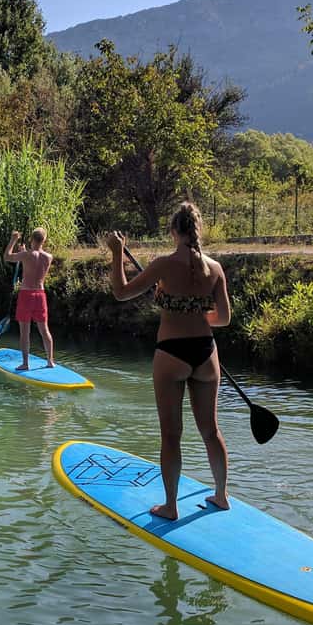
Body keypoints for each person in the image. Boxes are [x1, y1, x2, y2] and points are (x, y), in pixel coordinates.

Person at [106, 202, 232, 521]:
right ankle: (221, 495)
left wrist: (117, 252)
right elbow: (224, 319)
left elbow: (120, 292)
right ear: (198, 230)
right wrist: (197, 313)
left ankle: (171, 506)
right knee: (211, 430)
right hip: (206, 352)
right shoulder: (215, 268)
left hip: (171, 353)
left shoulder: (162, 265)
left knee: (171, 435)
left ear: (173, 231)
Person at [3, 227, 55, 370]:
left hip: (26, 295)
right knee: (45, 330)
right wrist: (24, 252)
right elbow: (35, 257)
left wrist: (13, 240)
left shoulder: (25, 255)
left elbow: (7, 256)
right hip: (40, 295)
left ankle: (25, 364)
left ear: (32, 239)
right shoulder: (49, 257)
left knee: (25, 332)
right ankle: (50, 361)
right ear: (44, 240)